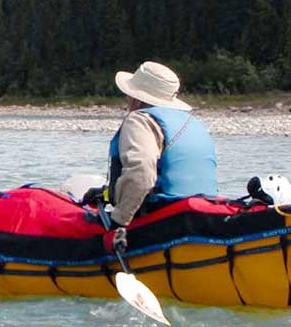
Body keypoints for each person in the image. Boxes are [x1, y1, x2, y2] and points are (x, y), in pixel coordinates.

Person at [90, 61, 218, 233]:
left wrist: (118, 222)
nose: (127, 99)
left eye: (128, 94)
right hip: (206, 214)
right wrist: (106, 193)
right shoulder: (194, 123)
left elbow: (141, 174)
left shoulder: (140, 120)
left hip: (164, 220)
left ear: (136, 99)